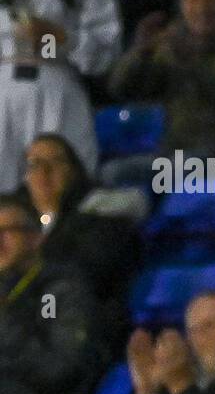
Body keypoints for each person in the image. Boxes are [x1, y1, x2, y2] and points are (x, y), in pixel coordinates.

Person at [0, 0, 122, 190]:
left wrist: (61, 38)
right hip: (4, 94)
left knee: (58, 186)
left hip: (57, 90)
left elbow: (107, 50)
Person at [104, 0, 215, 182]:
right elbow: (119, 88)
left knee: (131, 174)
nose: (202, 9)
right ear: (182, 6)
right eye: (193, 0)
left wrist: (190, 61)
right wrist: (141, 53)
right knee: (112, 173)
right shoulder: (172, 45)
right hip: (173, 151)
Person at [15, 133, 141, 351]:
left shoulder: (102, 218)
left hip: (80, 335)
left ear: (73, 171)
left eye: (55, 162)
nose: (44, 172)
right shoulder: (13, 222)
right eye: (35, 164)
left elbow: (85, 275)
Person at [0, 195, 104, 394]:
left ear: (36, 238)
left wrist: (4, 320)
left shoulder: (59, 290)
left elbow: (57, 368)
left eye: (8, 231)